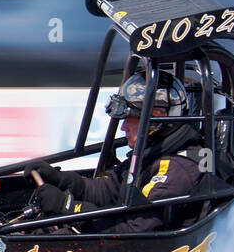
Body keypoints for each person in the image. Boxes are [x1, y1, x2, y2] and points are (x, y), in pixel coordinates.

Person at [28, 69, 209, 233]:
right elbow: (110, 190)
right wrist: (64, 180)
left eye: (130, 118)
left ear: (155, 118)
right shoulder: (153, 153)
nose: (123, 127)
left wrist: (68, 207)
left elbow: (134, 229)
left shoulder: (177, 169)